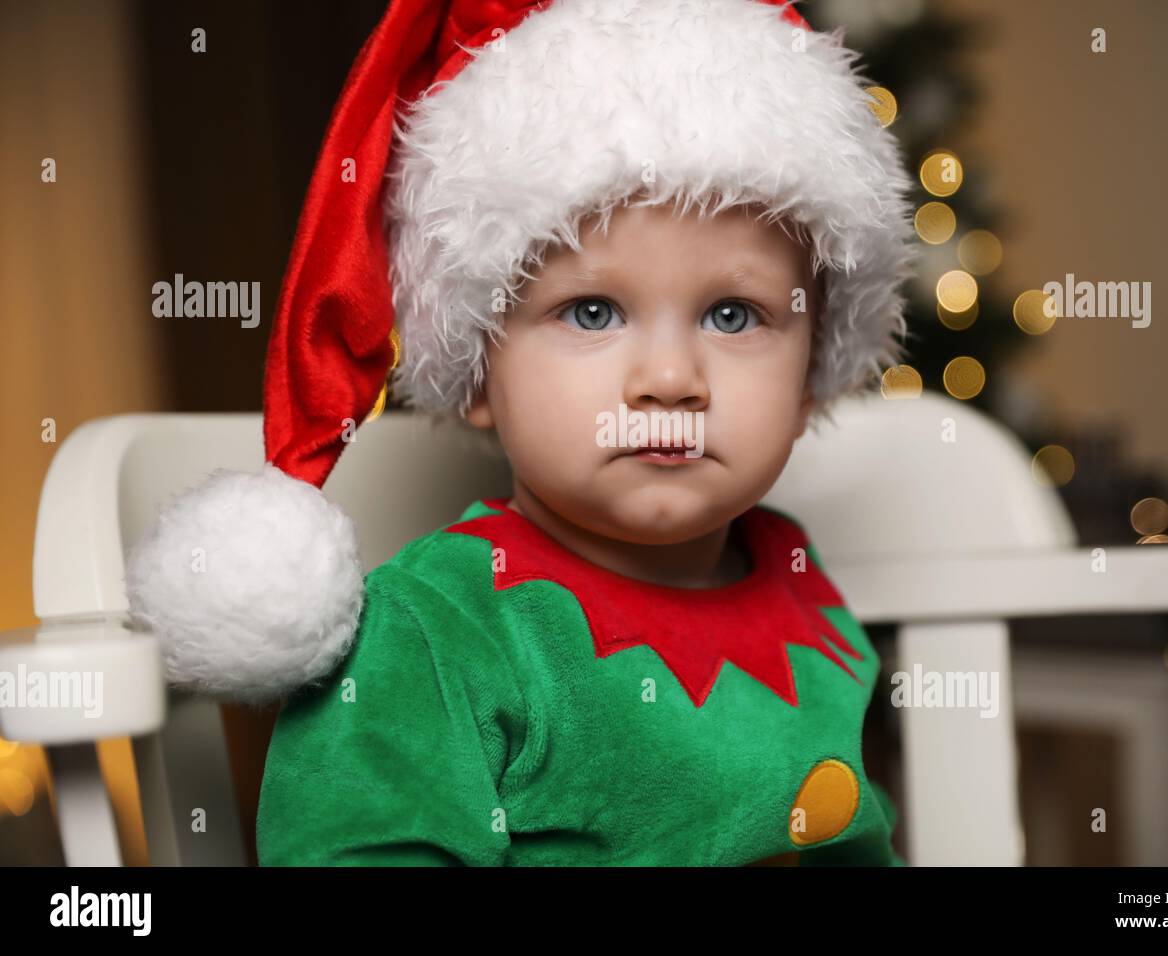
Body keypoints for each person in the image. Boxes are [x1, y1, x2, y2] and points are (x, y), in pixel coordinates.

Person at [125, 0, 914, 866]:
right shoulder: (437, 631)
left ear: (809, 379)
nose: (669, 378)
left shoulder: (799, 583)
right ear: (477, 370)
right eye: (591, 311)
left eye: (734, 314)